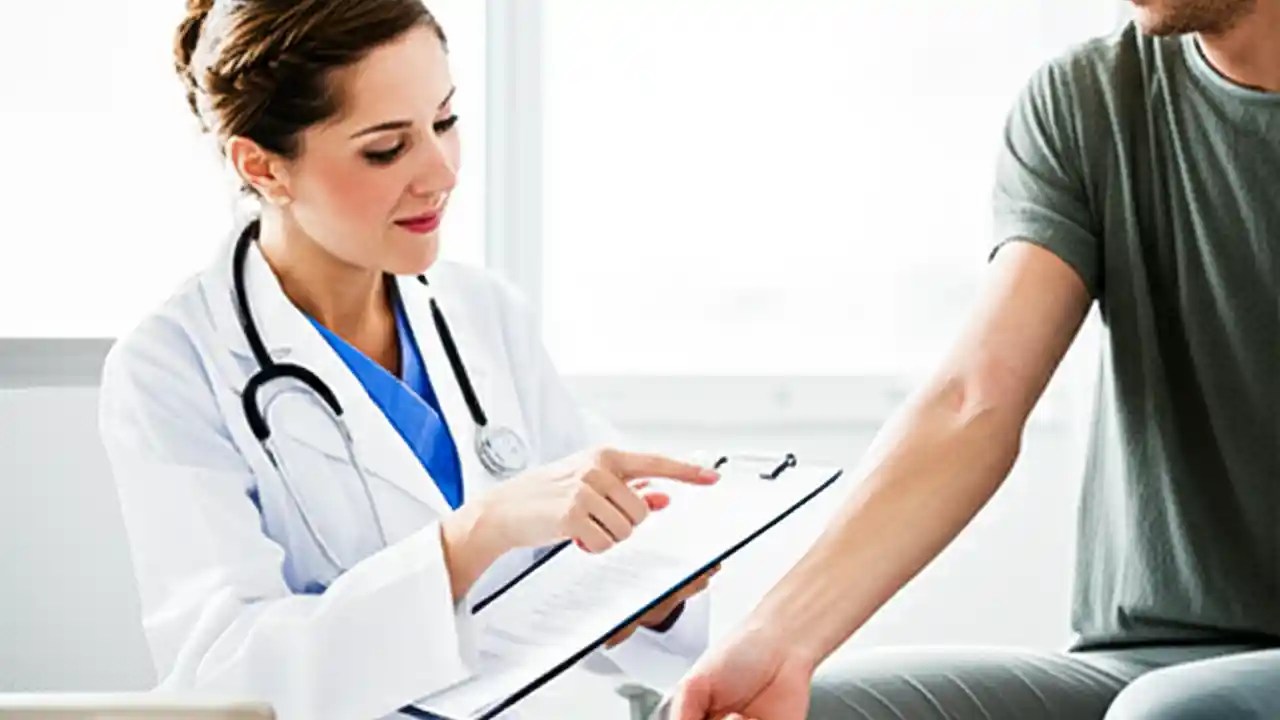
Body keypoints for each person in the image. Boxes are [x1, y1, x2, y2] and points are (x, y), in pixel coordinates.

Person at [98, 2, 717, 718]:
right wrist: (468, 541)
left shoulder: (483, 313)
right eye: (386, 149)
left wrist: (657, 595)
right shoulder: (174, 368)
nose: (442, 172)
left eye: (445, 122)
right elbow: (226, 679)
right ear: (262, 166)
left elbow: (582, 584)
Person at [670, 0, 1280, 718]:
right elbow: (975, 398)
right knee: (802, 710)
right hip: (1136, 662)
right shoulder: (1088, 99)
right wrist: (774, 641)